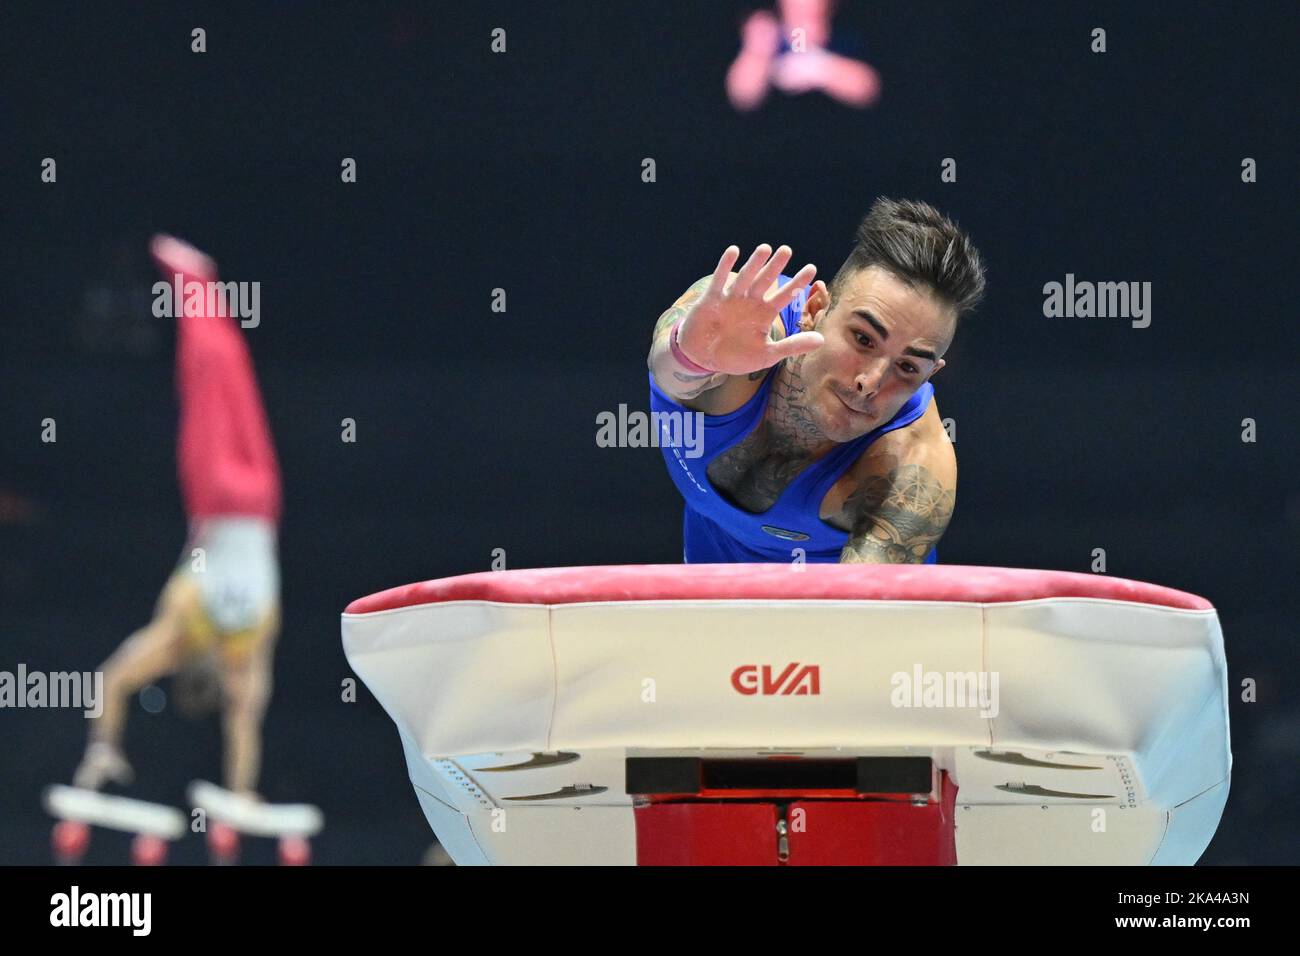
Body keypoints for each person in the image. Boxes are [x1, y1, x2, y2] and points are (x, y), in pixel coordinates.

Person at [647, 198, 984, 564]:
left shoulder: (911, 471)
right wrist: (691, 357)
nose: (870, 383)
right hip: (710, 560)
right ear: (813, 309)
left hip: (838, 603)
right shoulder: (739, 321)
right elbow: (669, 372)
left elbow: (861, 616)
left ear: (929, 376)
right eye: (864, 339)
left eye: (907, 367)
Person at [72, 235, 281, 798]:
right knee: (222, 378)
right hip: (243, 500)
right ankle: (198, 284)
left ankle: (196, 284)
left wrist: (102, 753)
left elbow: (114, 679)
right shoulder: (234, 649)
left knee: (219, 379)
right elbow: (114, 680)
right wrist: (239, 796)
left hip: (248, 503)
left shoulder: (189, 632)